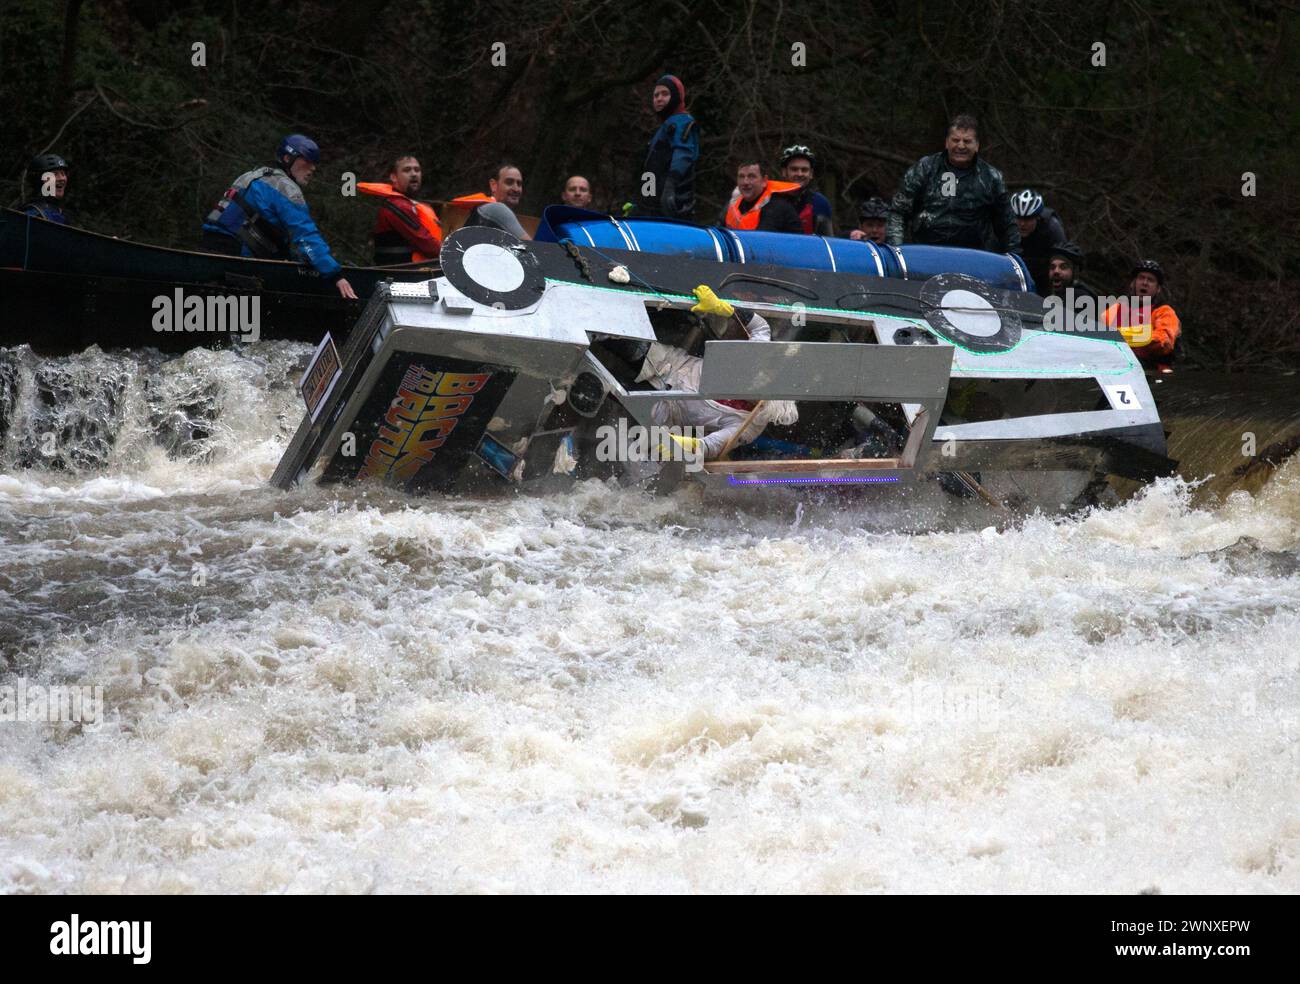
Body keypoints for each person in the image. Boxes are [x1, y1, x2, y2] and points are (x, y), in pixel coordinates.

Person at [639, 287, 798, 460]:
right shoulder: (758, 361)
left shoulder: (749, 427)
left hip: (667, 411)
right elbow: (761, 327)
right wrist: (725, 308)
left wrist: (688, 445)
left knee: (638, 447)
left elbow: (713, 445)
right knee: (623, 345)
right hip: (672, 364)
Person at [202, 134, 356, 299]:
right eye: (307, 161)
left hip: (207, 247)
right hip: (238, 258)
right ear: (287, 158)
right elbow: (305, 235)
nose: (313, 168)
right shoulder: (286, 188)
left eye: (315, 163)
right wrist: (335, 275)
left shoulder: (248, 176)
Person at [886, 114, 1020, 253]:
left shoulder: (992, 177)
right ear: (947, 142)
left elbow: (1007, 223)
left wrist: (1013, 257)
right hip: (926, 252)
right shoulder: (925, 168)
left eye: (967, 141)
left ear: (977, 145)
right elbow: (898, 211)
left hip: (975, 256)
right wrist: (896, 250)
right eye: (955, 140)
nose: (960, 146)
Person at [633, 74, 698, 219]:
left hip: (671, 208)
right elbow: (649, 170)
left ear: (676, 96)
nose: (659, 99)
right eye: (656, 95)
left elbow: (683, 155)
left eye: (665, 94)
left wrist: (670, 186)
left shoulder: (681, 122)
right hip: (652, 209)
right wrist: (641, 203)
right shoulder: (662, 129)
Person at [358, 154, 442, 264]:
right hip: (402, 273)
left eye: (417, 170)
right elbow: (424, 242)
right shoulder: (398, 205)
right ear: (393, 177)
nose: (413, 174)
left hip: (418, 269)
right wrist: (453, 254)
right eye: (407, 170)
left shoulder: (410, 204)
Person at [1103, 259, 1181, 373]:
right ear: (1133, 283)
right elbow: (1102, 336)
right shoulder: (1116, 309)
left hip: (1153, 371)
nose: (1145, 283)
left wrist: (1123, 337)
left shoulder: (1164, 312)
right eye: (1141, 278)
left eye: (1151, 280)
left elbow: (1163, 341)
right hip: (1118, 368)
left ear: (1158, 289)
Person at [449, 163, 530, 239]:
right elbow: (532, 249)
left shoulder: (483, 209)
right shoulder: (496, 209)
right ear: (493, 185)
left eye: (519, 184)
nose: (516, 189)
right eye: (509, 182)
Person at [1010, 188, 1068, 292]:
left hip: (1043, 279)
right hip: (1012, 277)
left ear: (1037, 217)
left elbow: (1063, 262)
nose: (1022, 224)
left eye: (1028, 219)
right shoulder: (1007, 226)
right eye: (1018, 218)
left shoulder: (1052, 228)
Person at [721, 162, 803, 233]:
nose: (745, 182)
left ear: (764, 181)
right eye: (741, 177)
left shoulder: (778, 207)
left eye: (751, 176)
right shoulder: (733, 203)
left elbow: (762, 243)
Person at [778, 144, 834, 236]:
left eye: (804, 170)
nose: (799, 174)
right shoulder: (770, 199)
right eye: (794, 169)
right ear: (784, 172)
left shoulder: (820, 203)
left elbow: (829, 241)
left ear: (811, 174)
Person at [21, 154, 71, 224]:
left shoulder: (61, 213)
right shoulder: (33, 213)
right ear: (39, 180)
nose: (62, 178)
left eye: (63, 174)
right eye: (55, 174)